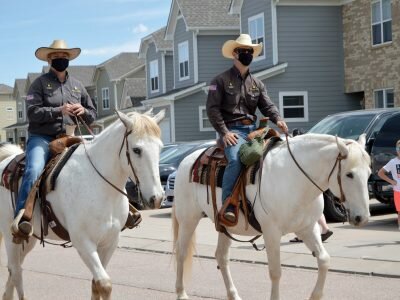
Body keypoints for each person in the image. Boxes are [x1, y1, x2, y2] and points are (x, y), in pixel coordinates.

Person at [11, 40, 98, 237]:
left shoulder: (77, 86)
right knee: (33, 170)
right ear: (50, 60)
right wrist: (58, 110)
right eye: (57, 57)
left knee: (97, 163)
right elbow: (32, 113)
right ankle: (22, 218)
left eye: (65, 57)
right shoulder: (39, 84)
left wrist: (83, 110)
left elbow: (93, 114)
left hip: (70, 137)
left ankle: (118, 211)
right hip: (42, 137)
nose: (62, 60)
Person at [206, 34, 288, 224]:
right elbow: (212, 110)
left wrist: (279, 119)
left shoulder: (257, 84)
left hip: (255, 131)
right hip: (233, 132)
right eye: (244, 51)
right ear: (234, 54)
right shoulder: (218, 81)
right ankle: (228, 205)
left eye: (250, 51)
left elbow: (267, 106)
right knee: (235, 160)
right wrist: (224, 132)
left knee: (276, 157)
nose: (247, 54)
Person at [377, 140, 400, 230]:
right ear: (396, 150)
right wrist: (391, 181)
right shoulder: (393, 162)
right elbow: (380, 173)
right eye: (399, 148)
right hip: (398, 191)